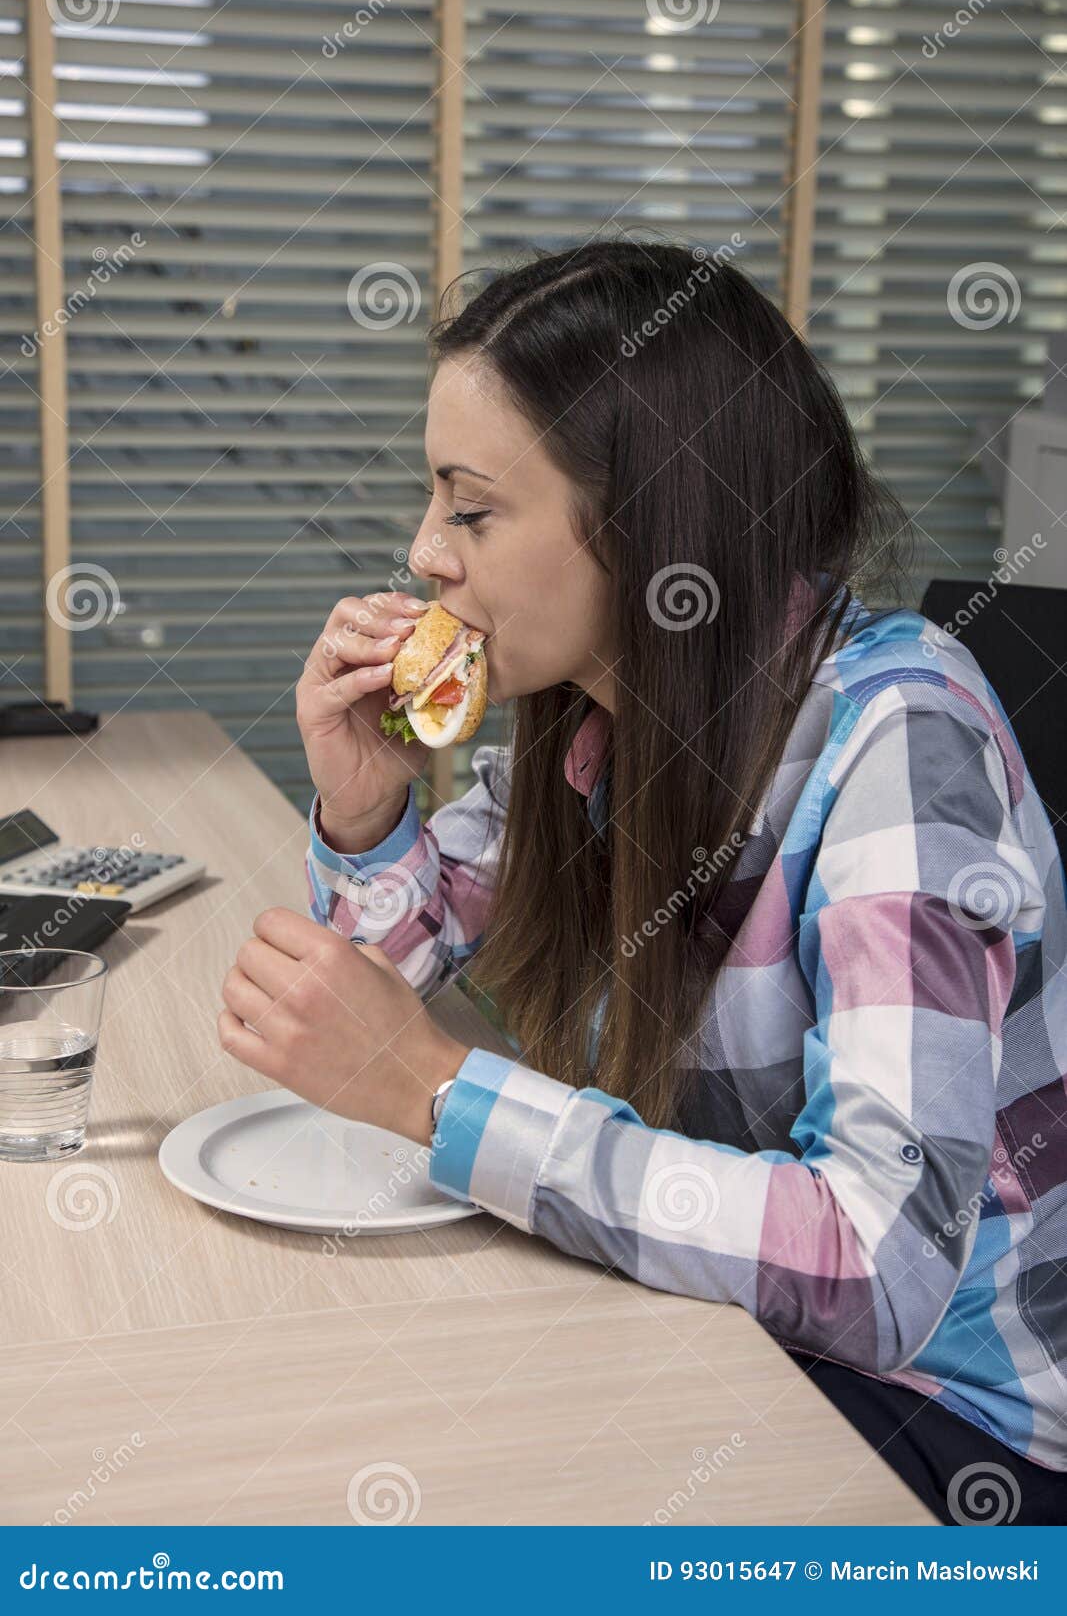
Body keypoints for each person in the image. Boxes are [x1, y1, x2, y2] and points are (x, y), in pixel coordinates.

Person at [218, 240, 1067, 1524]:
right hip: (737, 1331)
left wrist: (442, 1089)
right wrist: (363, 804)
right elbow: (373, 1015)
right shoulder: (600, 720)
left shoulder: (899, 742)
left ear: (646, 517)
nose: (423, 553)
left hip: (944, 1429)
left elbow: (873, 1265)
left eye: (470, 508)